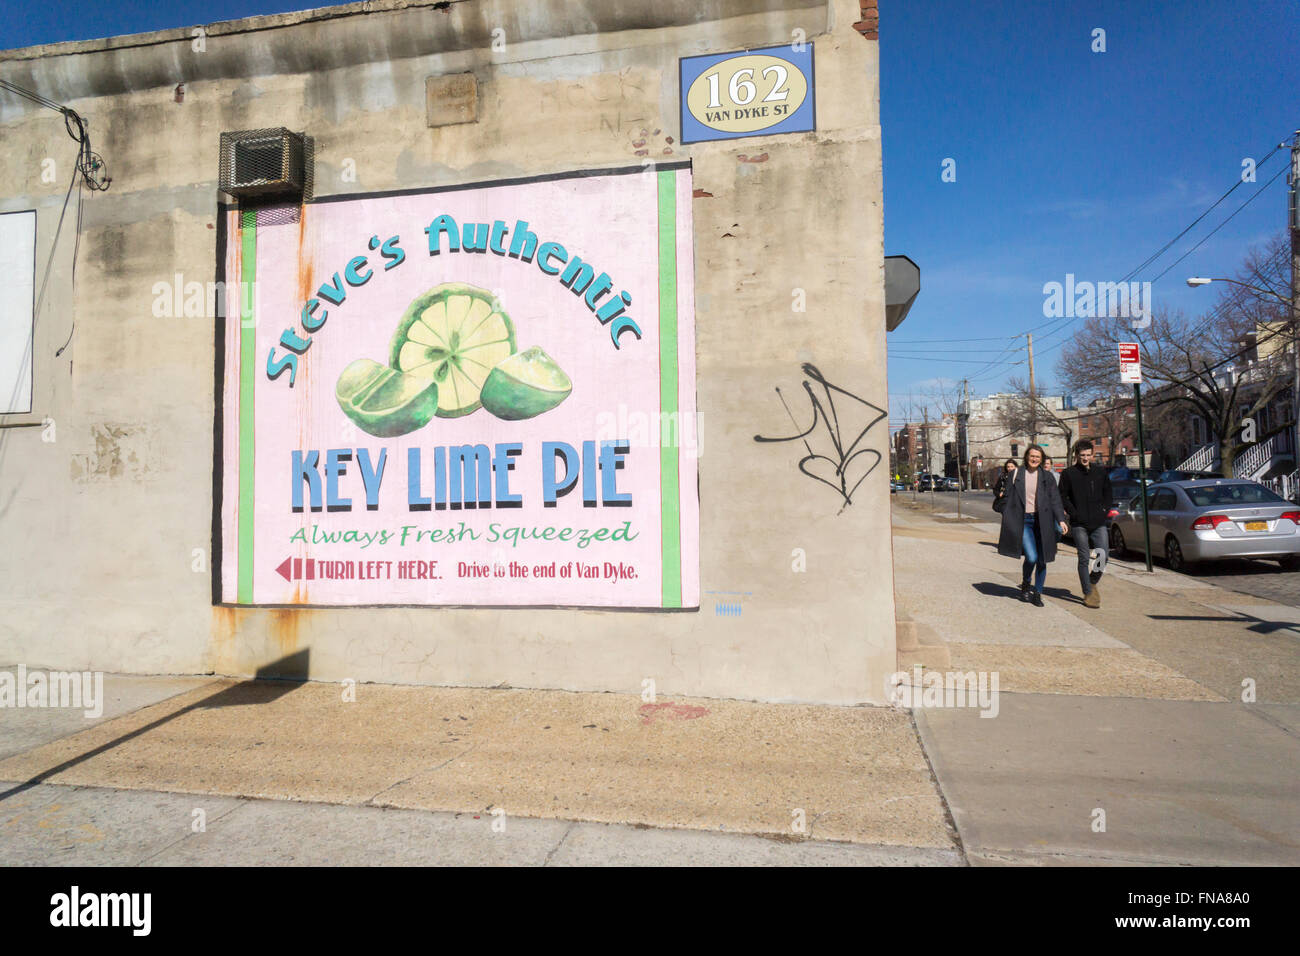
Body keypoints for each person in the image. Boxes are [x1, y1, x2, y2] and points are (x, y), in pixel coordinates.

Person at [996, 446, 1069, 606]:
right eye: (1032, 456)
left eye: (1037, 456)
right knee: (1031, 557)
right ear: (1026, 457)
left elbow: (1055, 500)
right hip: (1024, 521)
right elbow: (1006, 498)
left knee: (1042, 560)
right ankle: (1026, 583)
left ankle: (1038, 593)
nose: (1034, 459)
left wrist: (1061, 520)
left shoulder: (1047, 477)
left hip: (1043, 521)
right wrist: (1007, 514)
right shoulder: (1015, 474)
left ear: (1041, 459)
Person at [1059, 439, 1114, 608]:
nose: (1085, 458)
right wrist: (1074, 513)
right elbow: (1062, 496)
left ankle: (1091, 581)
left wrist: (1104, 510)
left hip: (1098, 522)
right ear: (1076, 455)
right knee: (1083, 557)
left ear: (1092, 455)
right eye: (1082, 455)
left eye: (1088, 455)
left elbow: (1108, 494)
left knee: (1103, 554)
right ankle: (1088, 593)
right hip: (1079, 524)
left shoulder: (1100, 472)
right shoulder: (1068, 473)